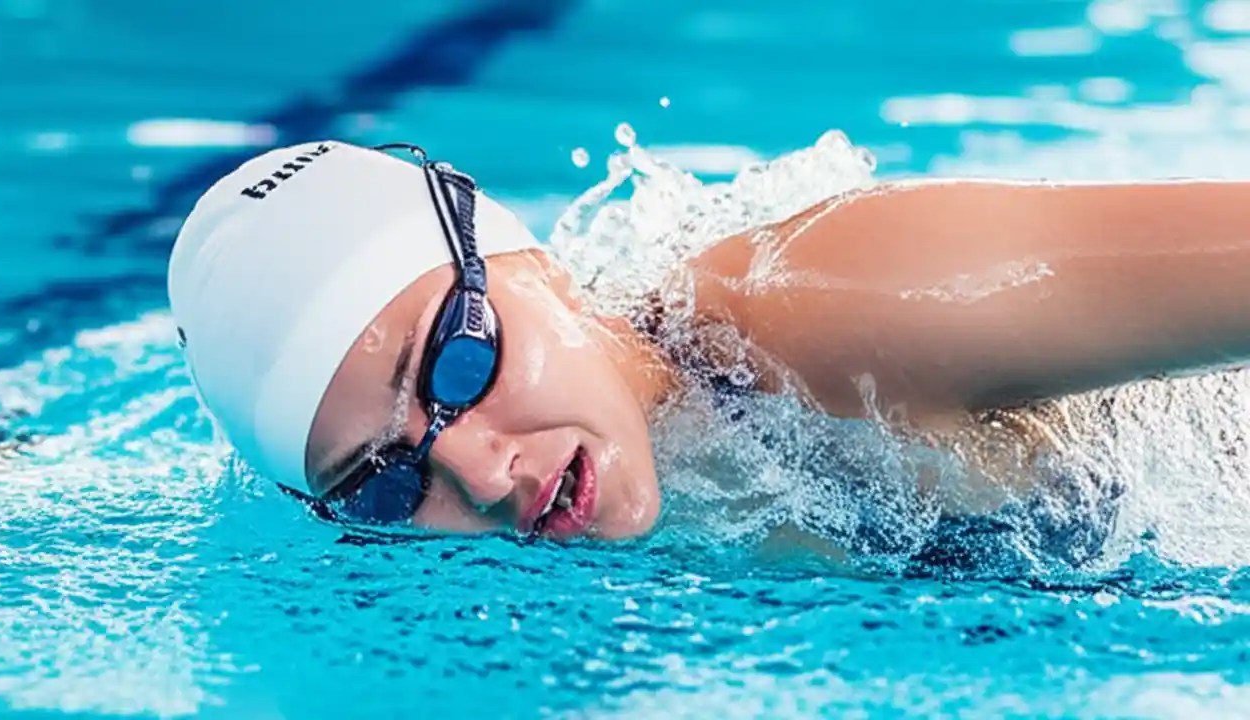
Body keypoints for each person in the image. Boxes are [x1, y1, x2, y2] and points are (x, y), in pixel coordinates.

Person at [167, 139, 1250, 565]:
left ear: (530, 262)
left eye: (455, 367)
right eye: (383, 485)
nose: (482, 472)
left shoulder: (833, 304)